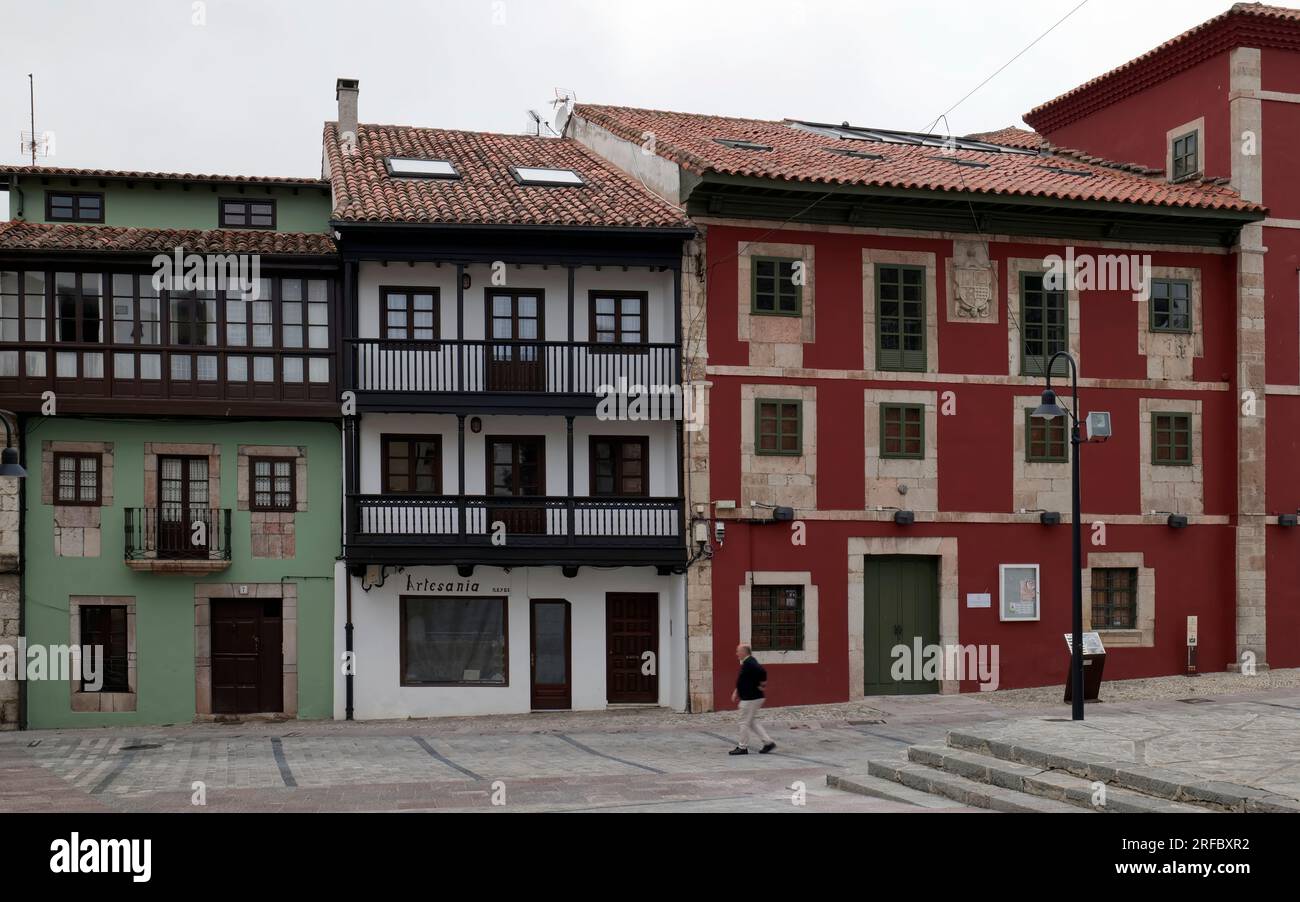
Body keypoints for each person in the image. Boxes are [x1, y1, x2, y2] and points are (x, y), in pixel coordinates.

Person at [729, 644, 775, 755]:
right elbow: (744, 679)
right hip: (751, 697)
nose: (736, 654)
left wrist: (763, 685)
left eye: (738, 651)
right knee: (752, 722)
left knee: (744, 722)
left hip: (751, 698)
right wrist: (736, 691)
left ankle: (742, 747)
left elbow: (762, 671)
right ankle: (768, 743)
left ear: (744, 652)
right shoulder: (747, 663)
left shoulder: (750, 662)